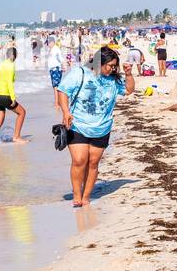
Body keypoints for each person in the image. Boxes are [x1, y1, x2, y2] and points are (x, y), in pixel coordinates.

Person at [55, 47, 135, 207]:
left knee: (93, 163)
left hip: (102, 127)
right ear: (100, 62)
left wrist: (128, 74)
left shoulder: (113, 79)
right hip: (78, 125)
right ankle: (77, 196)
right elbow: (62, 90)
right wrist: (66, 112)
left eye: (115, 66)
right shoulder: (80, 73)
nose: (113, 69)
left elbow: (128, 90)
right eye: (110, 65)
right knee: (79, 161)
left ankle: (86, 197)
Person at [0, 47, 27, 145]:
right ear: (13, 56)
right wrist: (13, 98)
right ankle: (16, 137)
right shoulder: (11, 65)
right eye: (16, 55)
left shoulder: (1, 65)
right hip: (4, 95)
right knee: (22, 112)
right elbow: (10, 82)